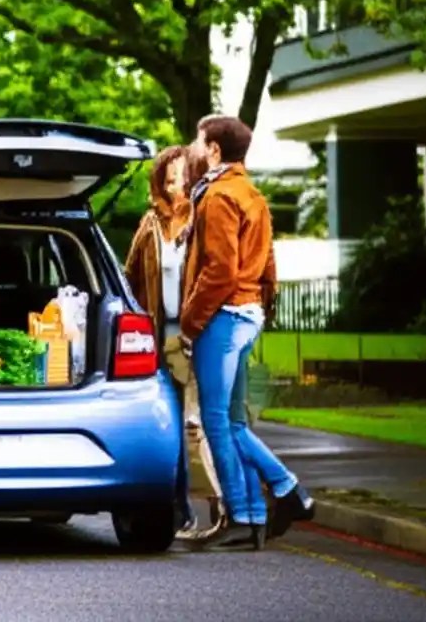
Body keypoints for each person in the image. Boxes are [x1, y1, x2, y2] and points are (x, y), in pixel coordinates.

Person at [180, 115, 315, 550]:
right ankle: (256, 516)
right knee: (234, 421)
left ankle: (276, 493)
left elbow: (219, 270)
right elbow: (268, 264)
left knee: (218, 422)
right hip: (248, 312)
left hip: (223, 315)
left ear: (215, 150)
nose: (195, 149)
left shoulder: (219, 196)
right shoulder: (252, 194)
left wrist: (189, 322)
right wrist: (262, 305)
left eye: (200, 143)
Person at [123, 146, 225, 539]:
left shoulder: (202, 221)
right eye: (168, 180)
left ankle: (223, 506)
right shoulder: (149, 225)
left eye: (182, 178)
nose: (176, 186)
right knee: (172, 431)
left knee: (198, 427)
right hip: (158, 339)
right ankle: (182, 512)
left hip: (194, 336)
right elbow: (130, 276)